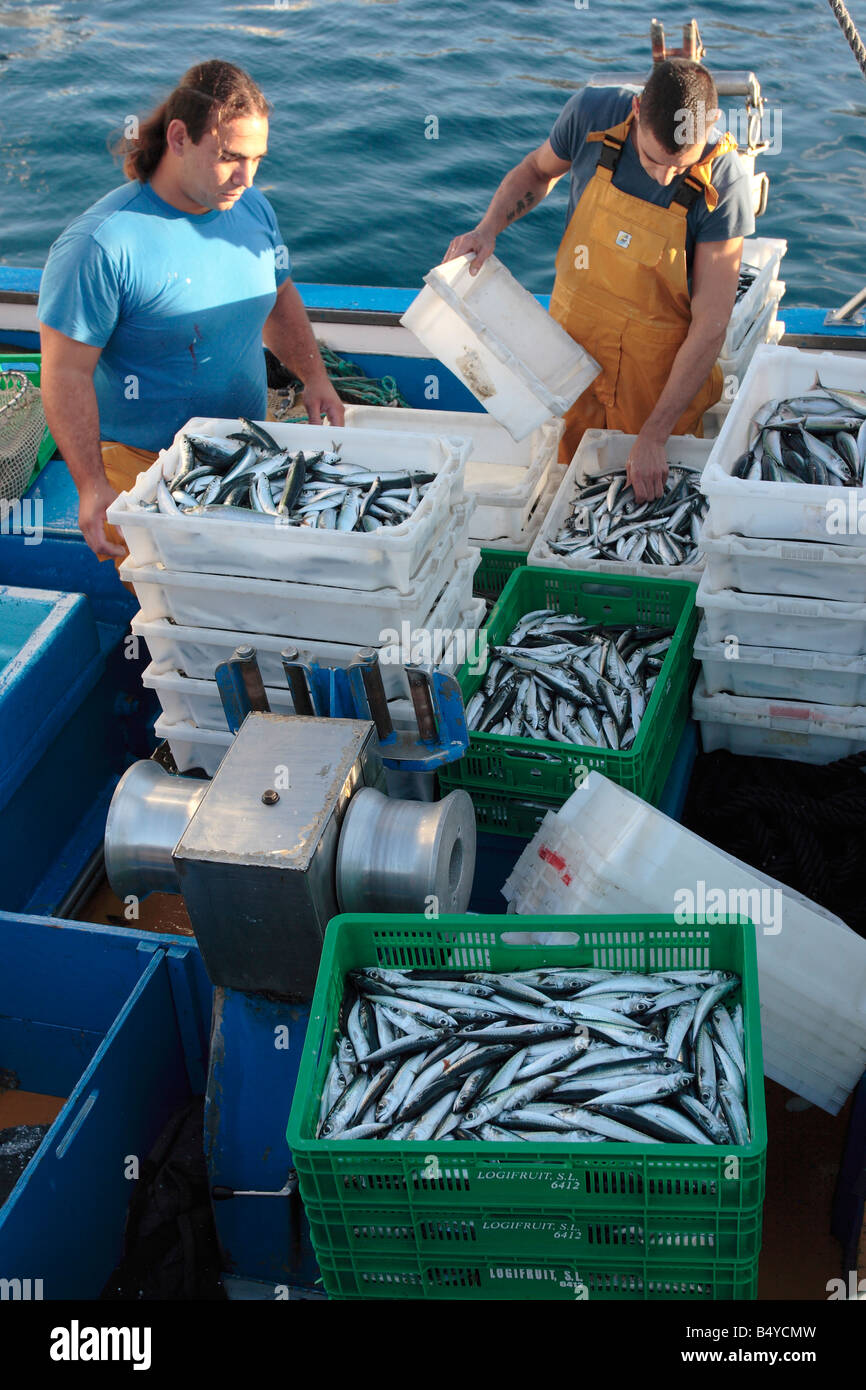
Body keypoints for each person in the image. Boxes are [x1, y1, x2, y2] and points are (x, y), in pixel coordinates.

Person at [37, 59, 344, 564]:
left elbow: (278, 294)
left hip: (249, 452)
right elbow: (65, 371)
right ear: (179, 138)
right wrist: (90, 486)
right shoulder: (99, 246)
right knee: (186, 620)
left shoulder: (251, 208)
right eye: (229, 157)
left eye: (257, 158)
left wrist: (314, 377)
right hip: (143, 471)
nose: (246, 176)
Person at [445, 59, 755, 501]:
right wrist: (488, 228)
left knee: (650, 504)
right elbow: (537, 170)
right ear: (635, 109)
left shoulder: (724, 180)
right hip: (572, 359)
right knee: (567, 491)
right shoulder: (591, 114)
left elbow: (711, 323)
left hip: (657, 383)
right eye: (652, 159)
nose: (664, 176)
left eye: (679, 167)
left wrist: (655, 434)